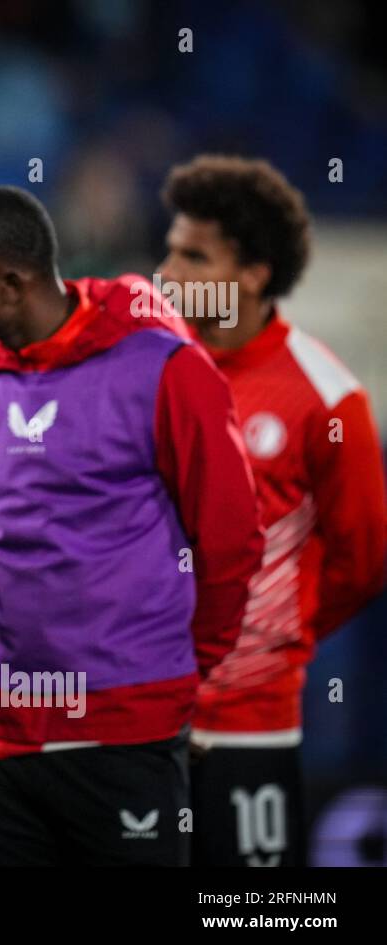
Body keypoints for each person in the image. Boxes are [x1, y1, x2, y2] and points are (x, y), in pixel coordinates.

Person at [0, 185, 264, 865]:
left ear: (12, 285)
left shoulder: (164, 368)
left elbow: (230, 541)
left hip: (125, 724)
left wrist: (183, 673)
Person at [158, 155, 387, 866]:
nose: (168, 273)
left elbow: (363, 559)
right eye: (170, 249)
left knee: (252, 917)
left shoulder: (327, 397)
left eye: (194, 256)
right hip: (134, 718)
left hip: (248, 726)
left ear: (254, 274)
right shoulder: (145, 373)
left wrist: (270, 640)